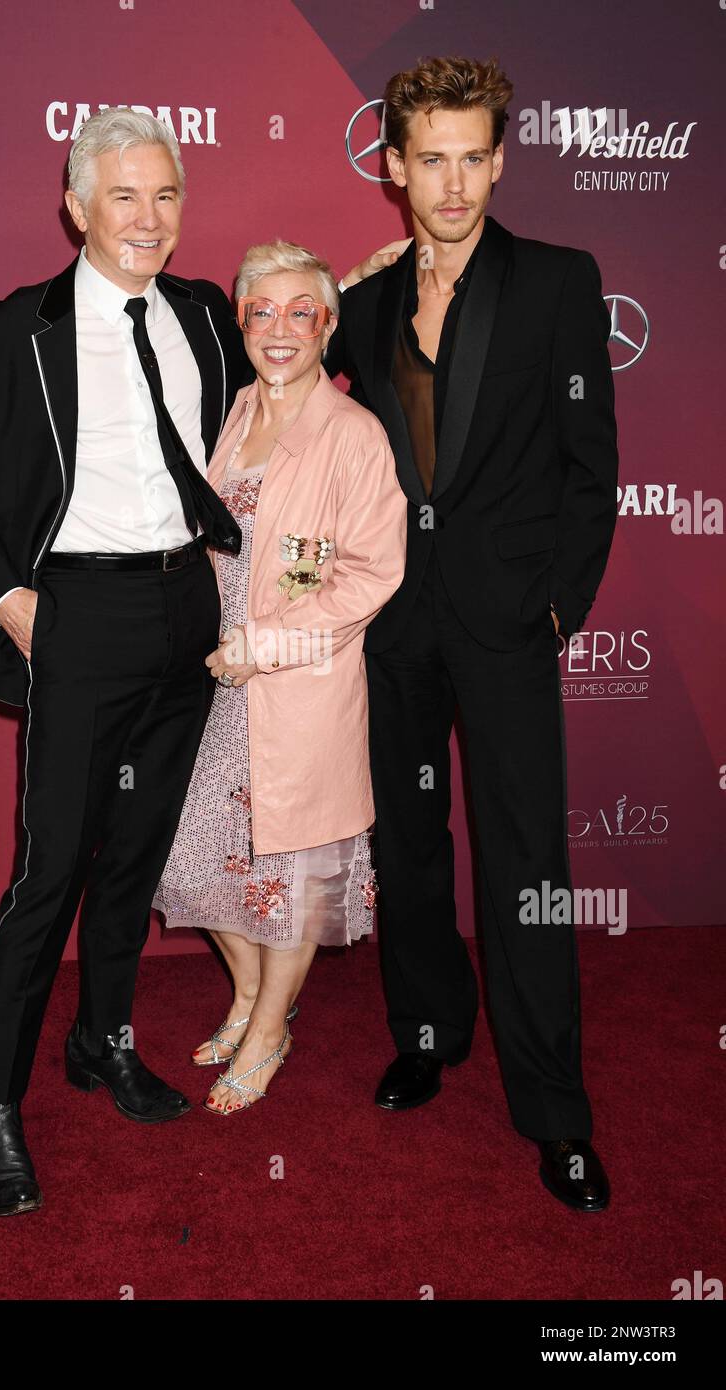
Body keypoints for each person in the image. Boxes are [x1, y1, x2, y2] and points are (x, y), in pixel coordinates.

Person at [0, 107, 255, 1216]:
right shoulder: (8, 330)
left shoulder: (205, 315)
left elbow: (308, 325)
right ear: (75, 206)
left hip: (184, 608)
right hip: (78, 614)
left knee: (133, 858)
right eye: (125, 195)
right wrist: (9, 599)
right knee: (51, 870)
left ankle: (101, 1039)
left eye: (167, 195)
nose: (150, 218)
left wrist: (398, 268)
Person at [327, 56, 618, 1211]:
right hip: (395, 622)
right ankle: (429, 1029)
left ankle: (557, 1112)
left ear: (498, 160)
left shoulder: (557, 281)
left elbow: (593, 473)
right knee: (407, 839)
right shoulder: (365, 303)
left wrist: (553, 608)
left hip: (505, 624)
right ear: (393, 166)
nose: (453, 184)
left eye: (473, 158)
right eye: (429, 159)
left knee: (526, 863)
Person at [153, 240, 407, 1115]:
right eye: (262, 311)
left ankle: (267, 1030)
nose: (280, 329)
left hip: (294, 679)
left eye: (303, 311)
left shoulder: (352, 433)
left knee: (291, 874)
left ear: (329, 325)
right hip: (209, 683)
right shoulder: (233, 412)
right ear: (241, 321)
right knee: (199, 864)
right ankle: (254, 998)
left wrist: (262, 645)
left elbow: (369, 574)